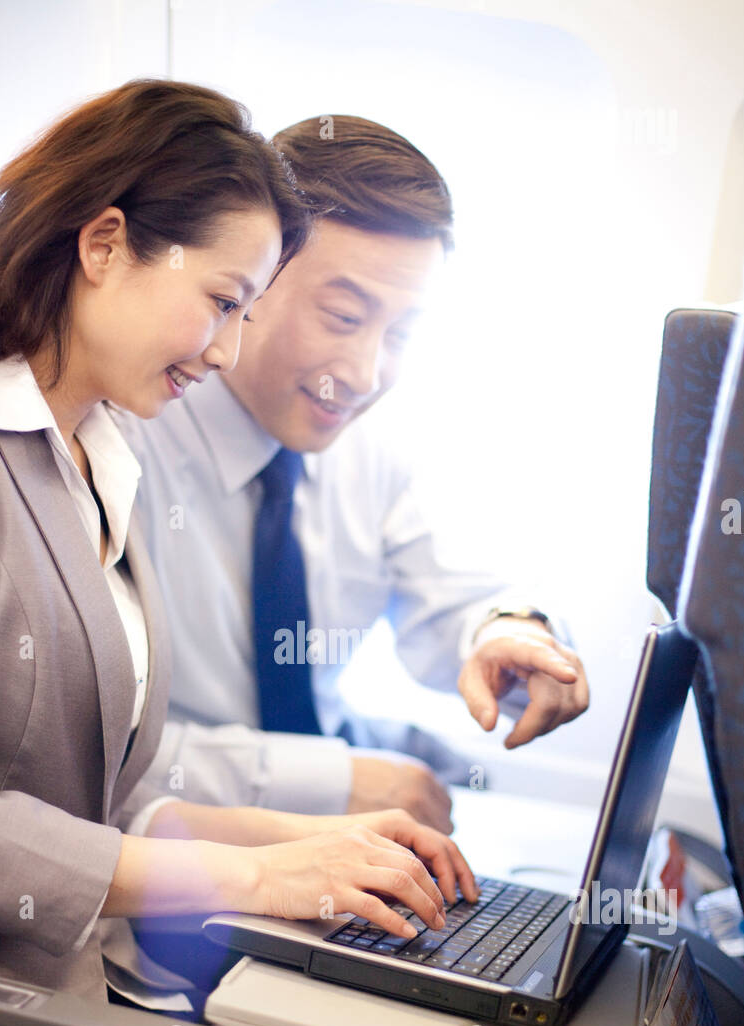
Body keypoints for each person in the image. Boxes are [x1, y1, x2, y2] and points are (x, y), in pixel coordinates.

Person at [0, 79, 547, 1026]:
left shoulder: (97, 449)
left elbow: (120, 800)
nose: (228, 347)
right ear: (103, 245)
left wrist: (332, 843)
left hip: (70, 980)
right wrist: (258, 873)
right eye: (221, 303)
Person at [119, 115, 590, 839]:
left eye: (401, 333)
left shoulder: (371, 447)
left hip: (334, 826)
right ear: (253, 283)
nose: (367, 375)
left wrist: (508, 634)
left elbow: (453, 601)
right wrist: (335, 783)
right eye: (343, 316)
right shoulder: (130, 434)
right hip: (176, 852)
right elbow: (99, 760)